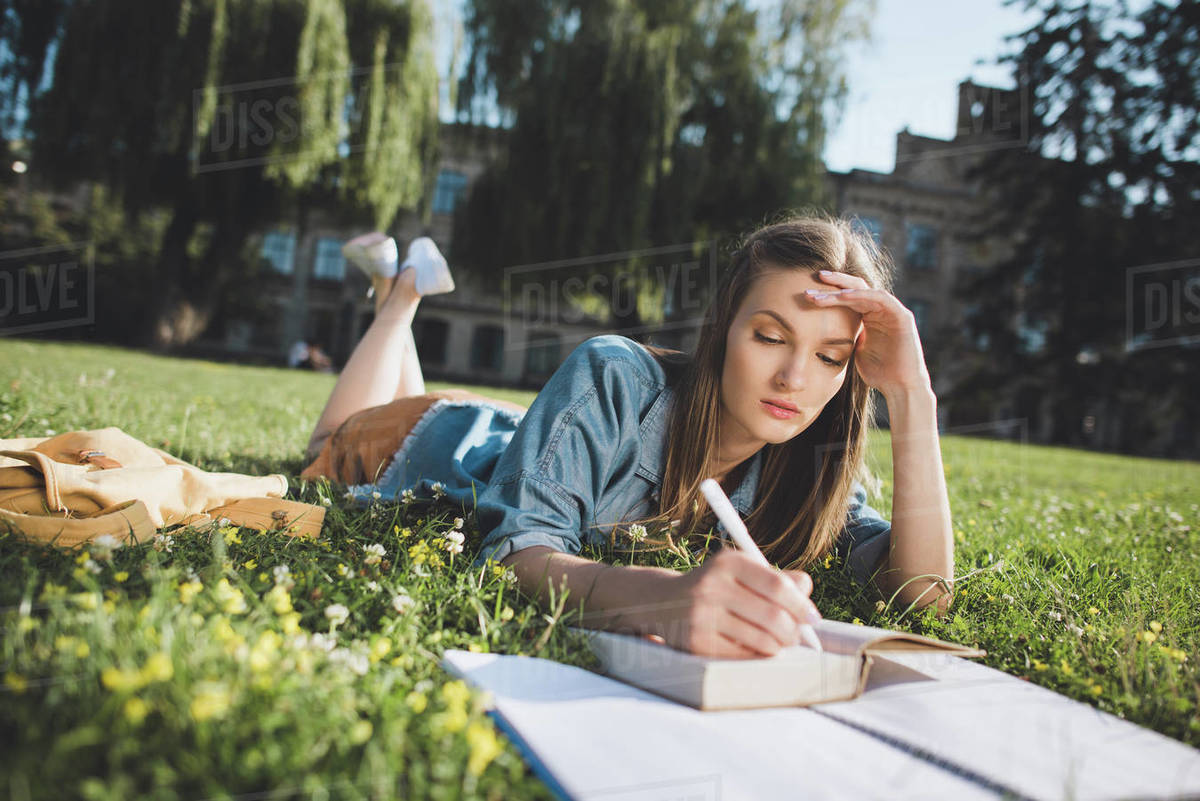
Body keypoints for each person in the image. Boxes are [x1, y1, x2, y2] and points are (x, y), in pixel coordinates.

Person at [301, 218, 954, 659]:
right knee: (322, 445)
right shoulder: (614, 374)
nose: (794, 377)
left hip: (530, 434)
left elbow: (924, 592)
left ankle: (394, 283)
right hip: (430, 438)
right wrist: (665, 597)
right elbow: (511, 551)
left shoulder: (809, 469)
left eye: (831, 357)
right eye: (770, 336)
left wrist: (913, 396)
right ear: (723, 327)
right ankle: (402, 294)